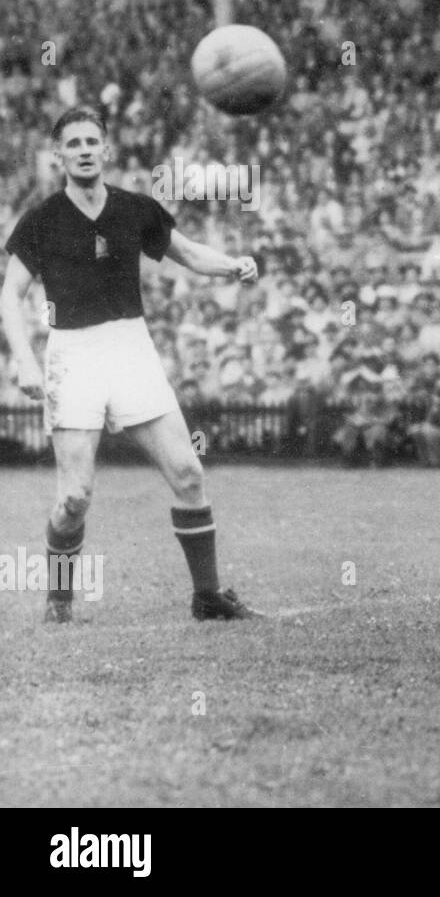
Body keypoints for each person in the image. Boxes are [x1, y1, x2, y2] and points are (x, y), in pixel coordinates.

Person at [0, 106, 261, 623]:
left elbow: (188, 253)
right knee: (74, 498)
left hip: (130, 347)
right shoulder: (41, 219)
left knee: (187, 472)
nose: (84, 150)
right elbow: (10, 294)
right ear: (58, 155)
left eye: (91, 141)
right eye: (73, 143)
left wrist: (233, 265)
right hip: (73, 354)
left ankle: (208, 598)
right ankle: (59, 600)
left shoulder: (135, 209)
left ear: (107, 149)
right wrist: (24, 361)